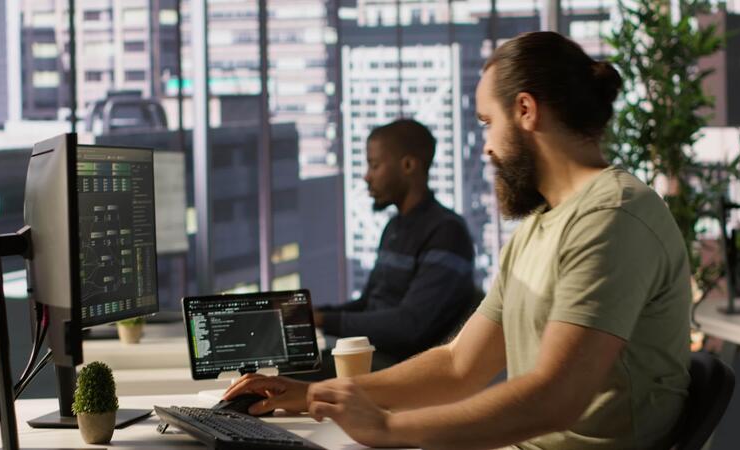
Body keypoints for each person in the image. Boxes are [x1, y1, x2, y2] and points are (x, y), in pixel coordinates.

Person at [224, 31, 692, 450]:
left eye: (488, 123)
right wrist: (313, 394)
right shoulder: (537, 227)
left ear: (526, 110)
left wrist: (389, 431)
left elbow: (555, 400)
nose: (485, 146)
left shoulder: (611, 216)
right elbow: (458, 366)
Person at [313, 118, 477, 367]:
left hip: (403, 366)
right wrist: (308, 315)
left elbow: (410, 325)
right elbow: (368, 304)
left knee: (288, 373)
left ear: (408, 165)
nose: (367, 177)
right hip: (376, 352)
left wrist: (324, 320)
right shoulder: (395, 227)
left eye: (375, 165)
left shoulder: (446, 233)